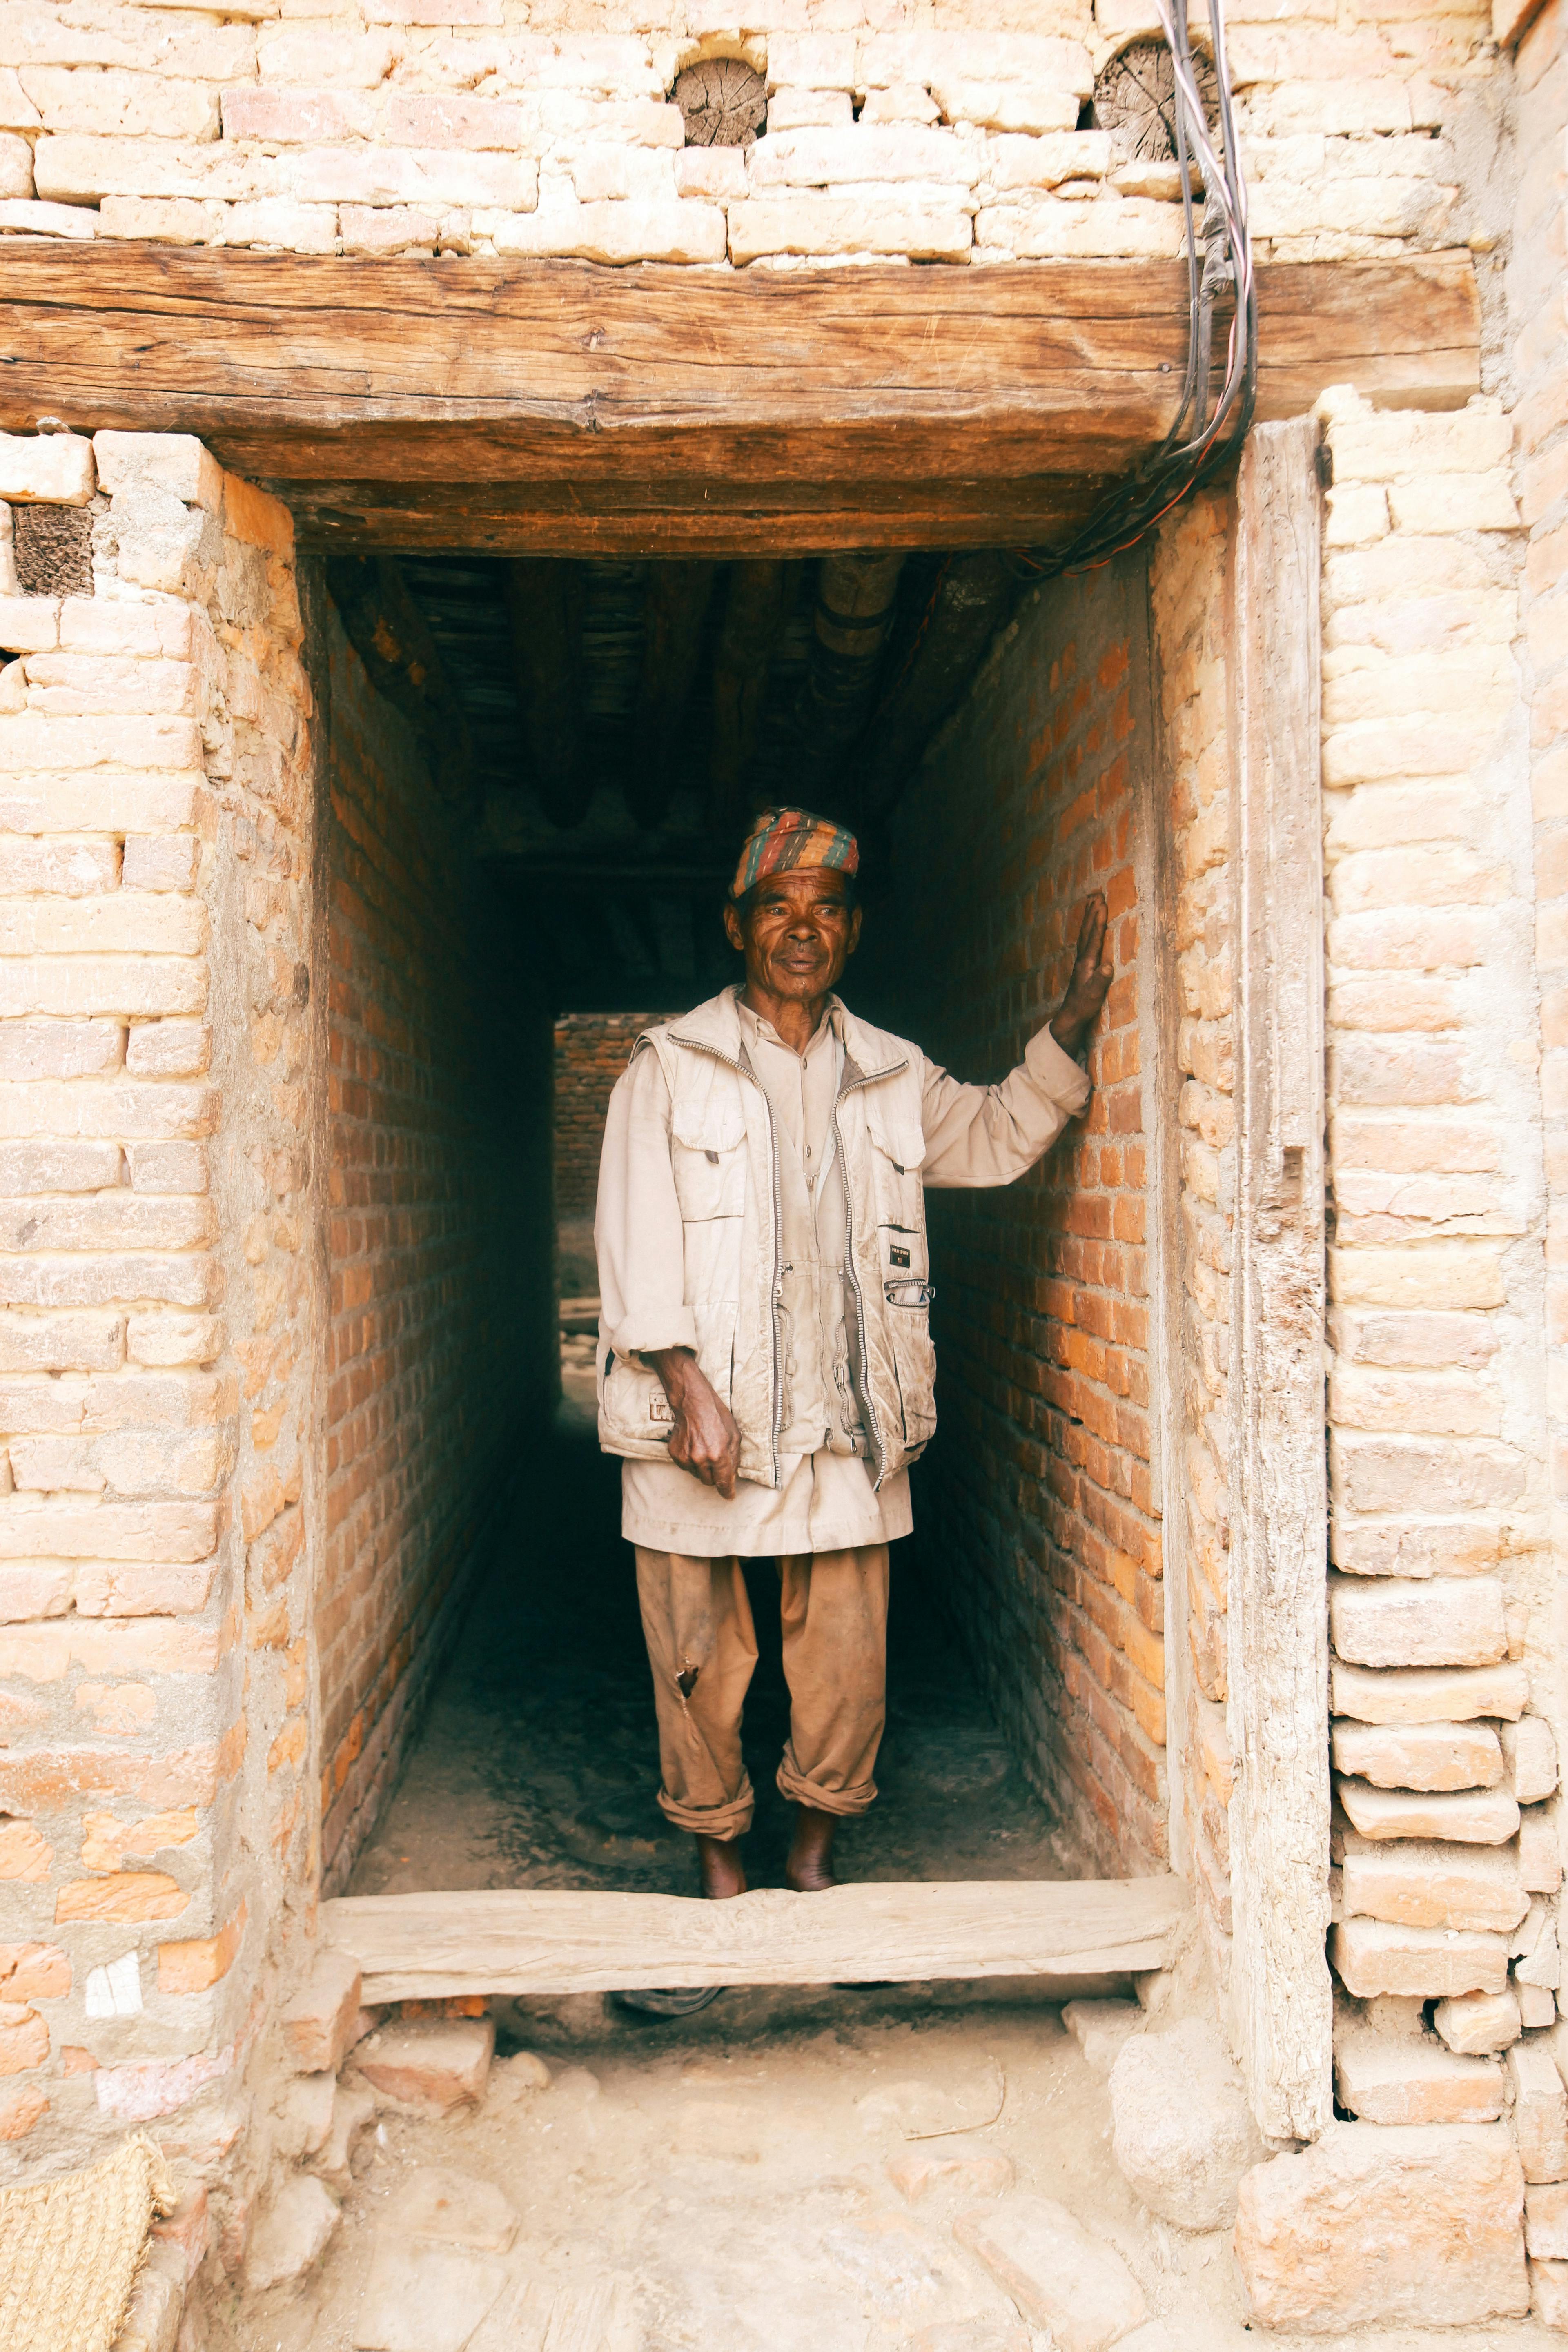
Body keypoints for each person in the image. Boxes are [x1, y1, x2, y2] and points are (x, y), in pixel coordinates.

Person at [593, 805, 1113, 2009]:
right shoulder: (667, 1067)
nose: (801, 929)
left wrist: (1069, 1032)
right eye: (777, 908)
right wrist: (685, 1385)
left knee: (845, 1665)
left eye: (825, 909)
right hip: (702, 1424)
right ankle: (722, 1883)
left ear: (854, 930)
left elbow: (994, 1136)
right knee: (697, 1661)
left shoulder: (889, 1070)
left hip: (845, 1418)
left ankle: (814, 1868)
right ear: (737, 926)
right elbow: (632, 1236)